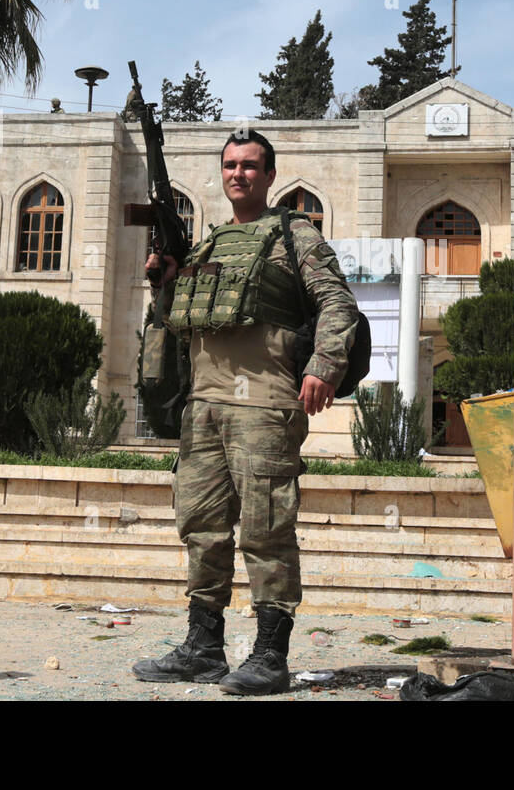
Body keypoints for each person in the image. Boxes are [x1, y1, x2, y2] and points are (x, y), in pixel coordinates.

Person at [131, 129, 360, 696]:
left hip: (265, 403)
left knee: (266, 528)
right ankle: (203, 647)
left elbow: (338, 302)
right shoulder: (207, 245)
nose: (239, 174)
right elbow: (175, 316)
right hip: (204, 403)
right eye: (231, 165)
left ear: (269, 174)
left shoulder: (295, 237)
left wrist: (324, 365)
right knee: (201, 526)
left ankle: (269, 655)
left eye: (251, 166)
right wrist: (163, 281)